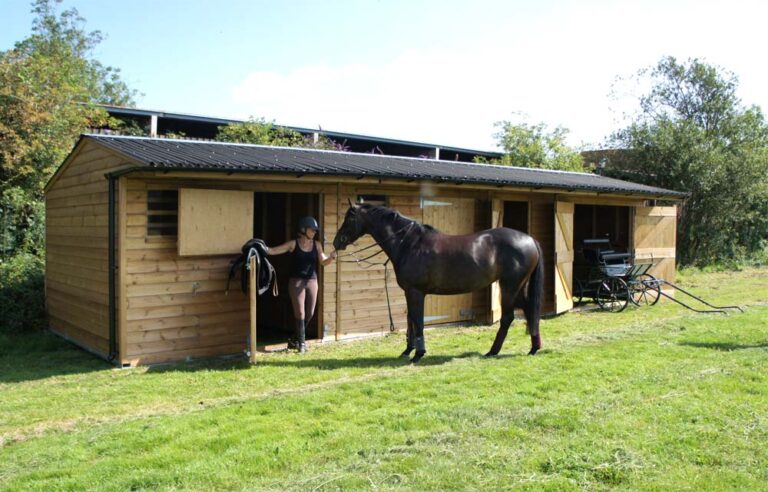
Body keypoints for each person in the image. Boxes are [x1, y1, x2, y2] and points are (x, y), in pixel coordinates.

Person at [265, 216, 337, 353]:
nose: (315, 232)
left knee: (309, 313)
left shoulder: (317, 245)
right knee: (300, 312)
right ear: (304, 230)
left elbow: (323, 261)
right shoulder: (293, 244)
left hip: (312, 281)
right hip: (296, 282)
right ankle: (302, 345)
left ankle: (294, 340)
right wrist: (263, 248)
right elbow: (274, 250)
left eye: (316, 230)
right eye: (312, 230)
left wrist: (331, 258)